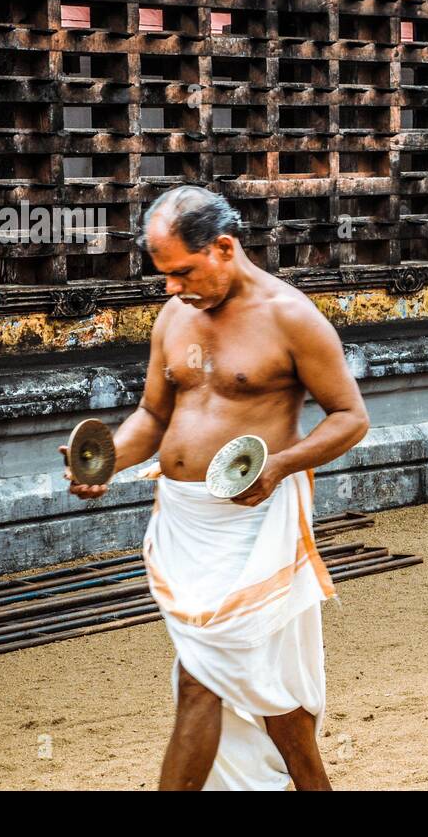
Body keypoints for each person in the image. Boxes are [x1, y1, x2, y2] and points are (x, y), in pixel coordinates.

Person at [67, 186, 369, 788]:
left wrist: (280, 465)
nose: (174, 288)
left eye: (183, 271)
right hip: (185, 524)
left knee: (201, 681)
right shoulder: (174, 315)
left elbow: (350, 418)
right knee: (266, 691)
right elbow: (153, 417)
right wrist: (105, 462)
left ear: (225, 247)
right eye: (165, 276)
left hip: (253, 522)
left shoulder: (290, 316)